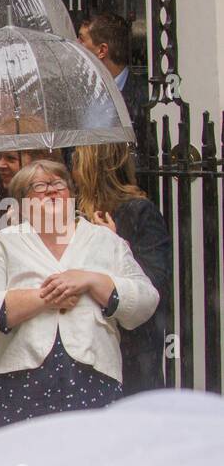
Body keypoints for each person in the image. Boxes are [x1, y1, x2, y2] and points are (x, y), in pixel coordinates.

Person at [0, 160, 159, 430]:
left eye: (58, 184)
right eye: (38, 187)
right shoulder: (3, 243)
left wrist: (91, 280)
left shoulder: (105, 240)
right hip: (17, 385)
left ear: (71, 194)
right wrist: (44, 298)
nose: (51, 191)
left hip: (92, 380)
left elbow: (146, 300)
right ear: (22, 202)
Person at [71, 143, 173, 394]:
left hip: (134, 348)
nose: (71, 169)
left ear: (92, 168)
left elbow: (154, 282)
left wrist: (115, 243)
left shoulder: (139, 211)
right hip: (92, 346)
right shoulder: (75, 215)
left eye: (76, 161)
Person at [78, 12, 147, 128]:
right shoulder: (80, 90)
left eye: (81, 39)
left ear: (102, 50)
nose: (76, 44)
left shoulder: (144, 96)